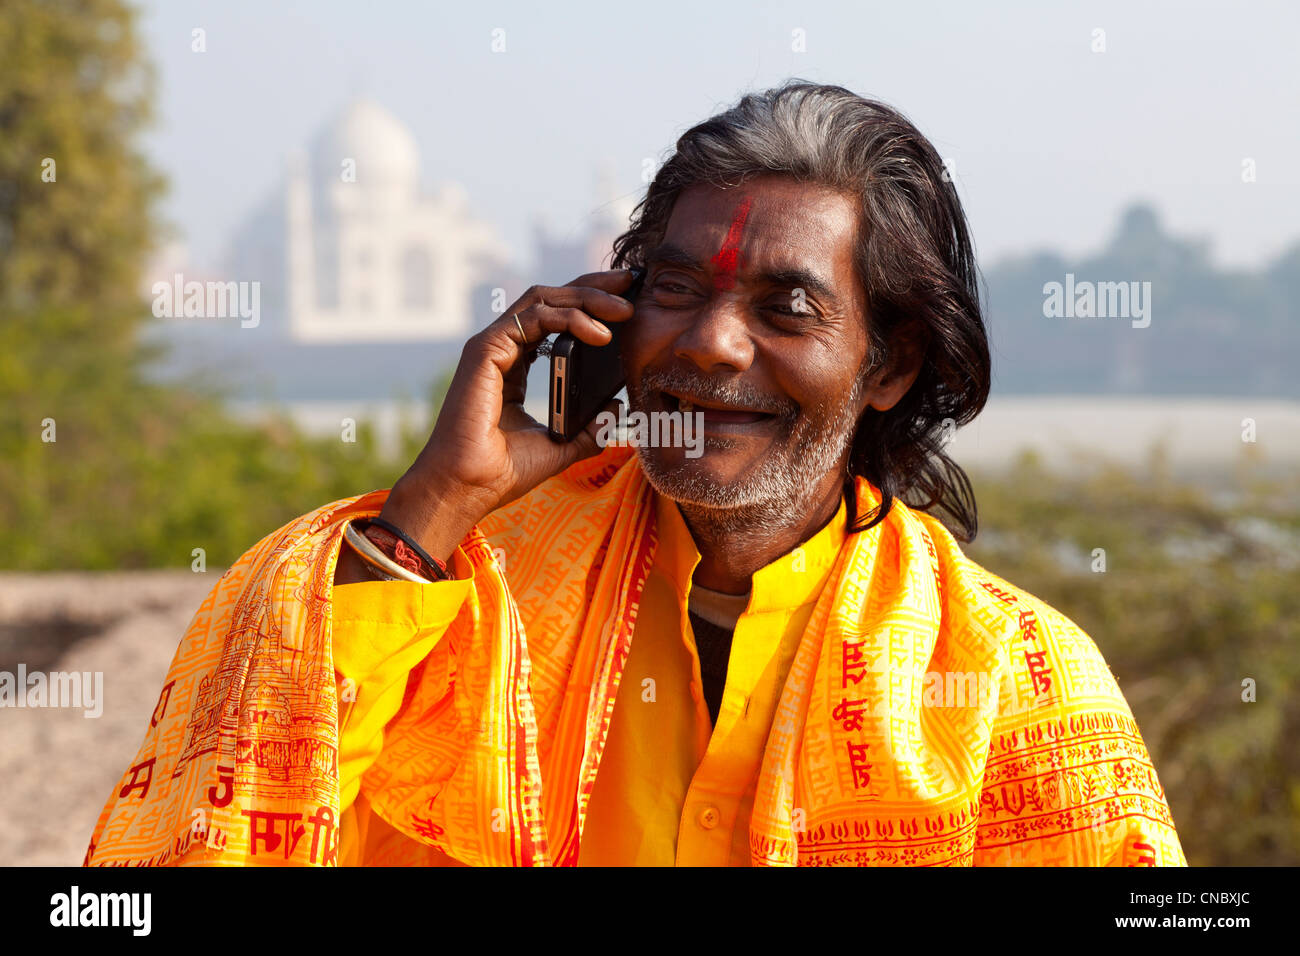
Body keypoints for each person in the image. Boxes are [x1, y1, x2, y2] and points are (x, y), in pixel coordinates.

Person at [84, 80, 1184, 867]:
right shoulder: (463, 593)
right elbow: (234, 830)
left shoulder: (1013, 683)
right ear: (607, 309)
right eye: (672, 289)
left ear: (887, 363)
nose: (710, 343)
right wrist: (437, 503)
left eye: (783, 307)